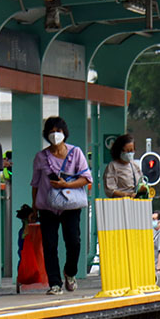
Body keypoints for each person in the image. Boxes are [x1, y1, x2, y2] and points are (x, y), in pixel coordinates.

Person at [31, 116, 93, 295]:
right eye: (51, 132)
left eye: (58, 131)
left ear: (64, 132)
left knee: (74, 241)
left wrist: (67, 185)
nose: (55, 135)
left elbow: (86, 178)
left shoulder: (76, 153)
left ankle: (70, 272)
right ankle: (55, 284)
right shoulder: (41, 157)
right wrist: (34, 208)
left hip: (70, 205)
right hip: (47, 206)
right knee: (50, 245)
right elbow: (35, 184)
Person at [102, 134, 145, 199]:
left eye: (131, 150)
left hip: (136, 201)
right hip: (120, 202)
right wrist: (127, 195)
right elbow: (110, 190)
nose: (130, 153)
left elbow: (141, 182)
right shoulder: (112, 166)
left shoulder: (135, 165)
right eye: (127, 151)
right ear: (120, 151)